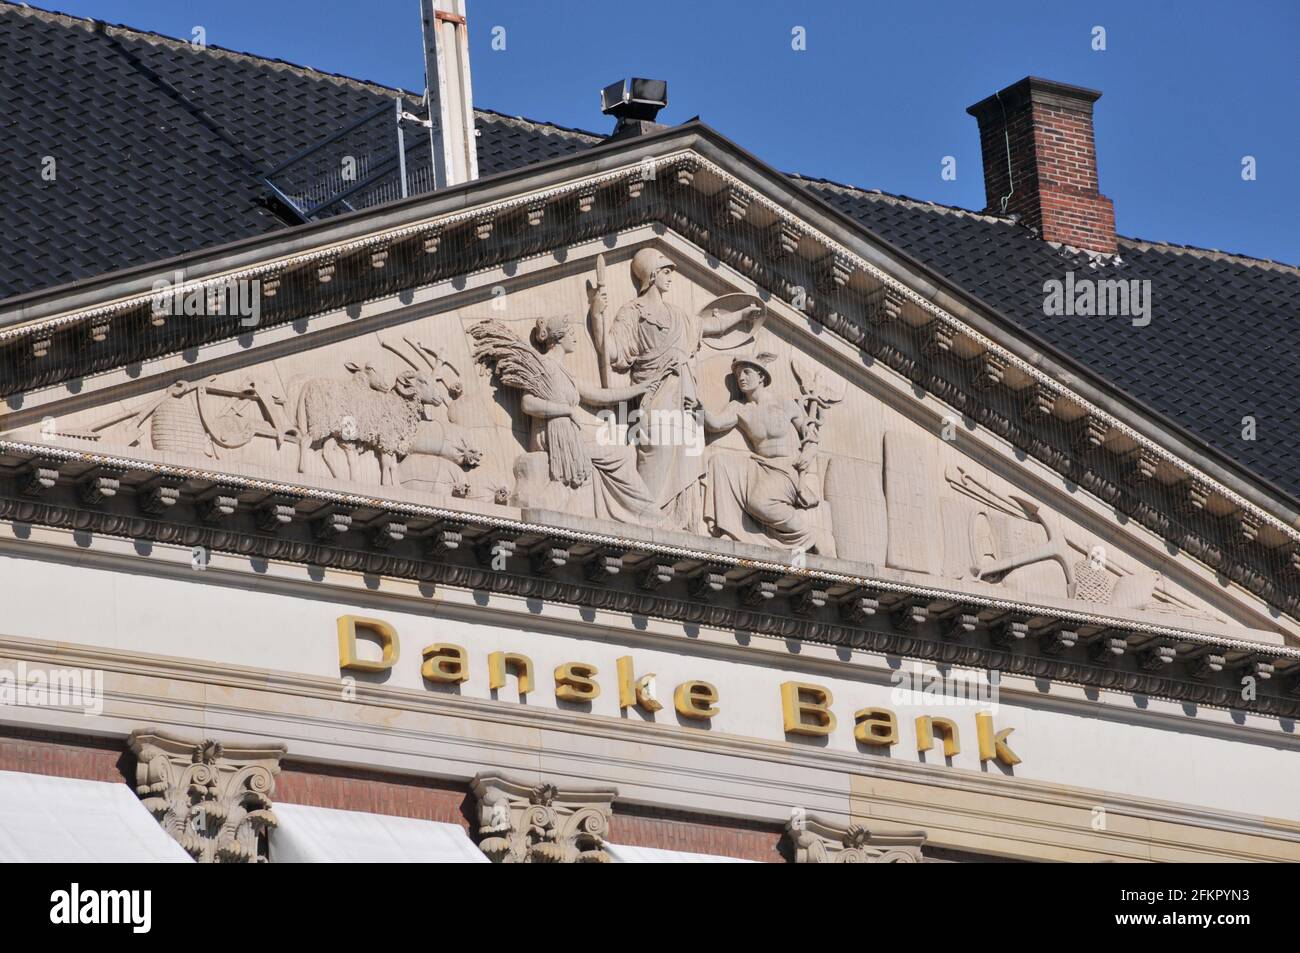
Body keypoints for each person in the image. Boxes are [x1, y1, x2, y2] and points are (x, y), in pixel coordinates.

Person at [597, 249, 760, 530]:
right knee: (657, 450)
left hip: (685, 399)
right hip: (654, 396)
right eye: (665, 272)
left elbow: (713, 327)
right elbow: (611, 351)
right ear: (651, 275)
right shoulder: (632, 312)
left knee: (686, 454)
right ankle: (645, 518)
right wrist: (596, 317)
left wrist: (742, 314)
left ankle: (682, 523)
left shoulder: (679, 316)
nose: (671, 277)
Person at [468, 315, 663, 525]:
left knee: (620, 455)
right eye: (571, 334)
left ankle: (641, 514)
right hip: (553, 437)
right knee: (620, 456)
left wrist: (639, 389)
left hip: (571, 437)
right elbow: (528, 404)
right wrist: (565, 411)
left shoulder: (567, 374)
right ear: (560, 337)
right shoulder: (542, 366)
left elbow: (601, 395)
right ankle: (647, 516)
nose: (575, 339)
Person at [700, 351, 833, 555]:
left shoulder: (784, 402)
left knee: (759, 502)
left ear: (761, 376)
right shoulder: (739, 408)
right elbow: (715, 423)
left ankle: (809, 535)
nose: (741, 378)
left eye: (746, 372)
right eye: (738, 376)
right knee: (720, 461)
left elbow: (810, 434)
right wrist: (698, 408)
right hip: (761, 466)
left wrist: (808, 452)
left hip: (787, 469)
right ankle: (731, 529)